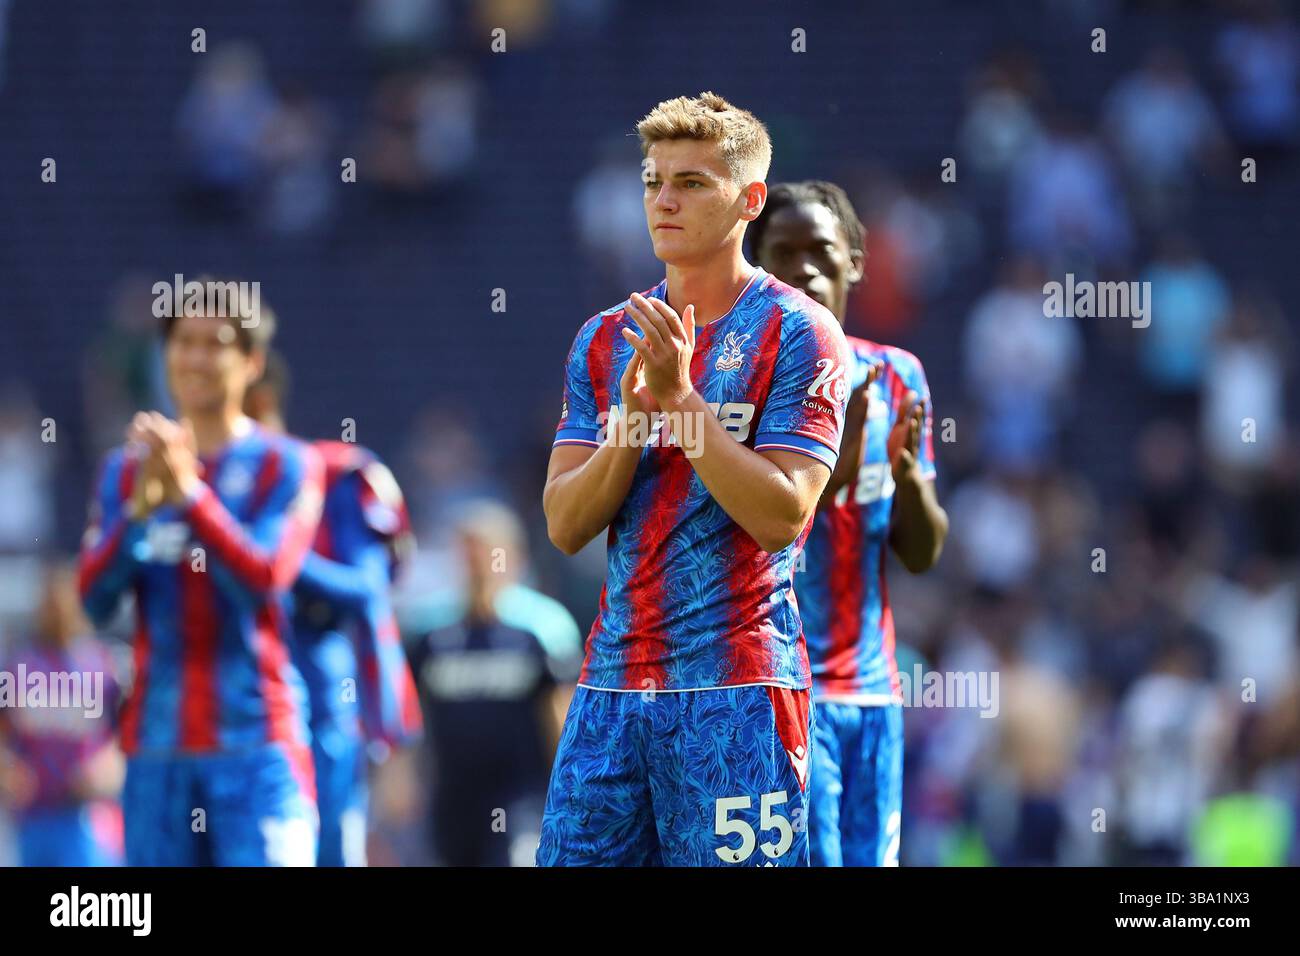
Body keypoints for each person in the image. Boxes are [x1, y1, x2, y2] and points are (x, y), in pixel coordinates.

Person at [538, 92, 851, 866]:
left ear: (749, 201)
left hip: (739, 691)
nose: (664, 200)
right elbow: (565, 523)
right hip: (612, 690)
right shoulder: (605, 338)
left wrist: (682, 401)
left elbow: (783, 516)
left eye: (692, 183)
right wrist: (631, 423)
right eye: (653, 181)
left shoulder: (800, 332)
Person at [78, 285, 324, 865]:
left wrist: (190, 496)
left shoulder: (285, 463)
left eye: (215, 344)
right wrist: (138, 516)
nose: (195, 359)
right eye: (183, 342)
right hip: (156, 751)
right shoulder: (124, 471)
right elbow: (94, 601)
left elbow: (264, 577)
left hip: (257, 740)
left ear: (251, 362)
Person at [752, 180, 948, 866]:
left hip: (871, 693)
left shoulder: (898, 376)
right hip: (776, 697)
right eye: (784, 252)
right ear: (757, 265)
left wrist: (906, 480)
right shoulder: (741, 383)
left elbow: (921, 553)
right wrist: (838, 457)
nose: (804, 268)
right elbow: (759, 530)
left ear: (856, 261)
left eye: (823, 251)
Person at [244, 353, 423, 866]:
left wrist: (273, 559)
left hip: (317, 707)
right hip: (231, 714)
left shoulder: (332, 475)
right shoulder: (205, 489)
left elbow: (367, 589)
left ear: (259, 401)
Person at [404, 500, 581, 866]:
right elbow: (409, 705)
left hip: (521, 793)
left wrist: (569, 786)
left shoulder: (541, 626)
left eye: (485, 552)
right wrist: (401, 771)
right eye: (467, 553)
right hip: (453, 794)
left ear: (510, 556)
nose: (476, 564)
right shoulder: (431, 630)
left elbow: (560, 711)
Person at [0, 563, 124, 866]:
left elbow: (125, 734)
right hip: (34, 811)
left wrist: (108, 767)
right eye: (51, 603)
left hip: (87, 812)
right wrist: (7, 770)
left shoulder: (104, 665)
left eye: (66, 603)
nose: (59, 612)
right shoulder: (18, 668)